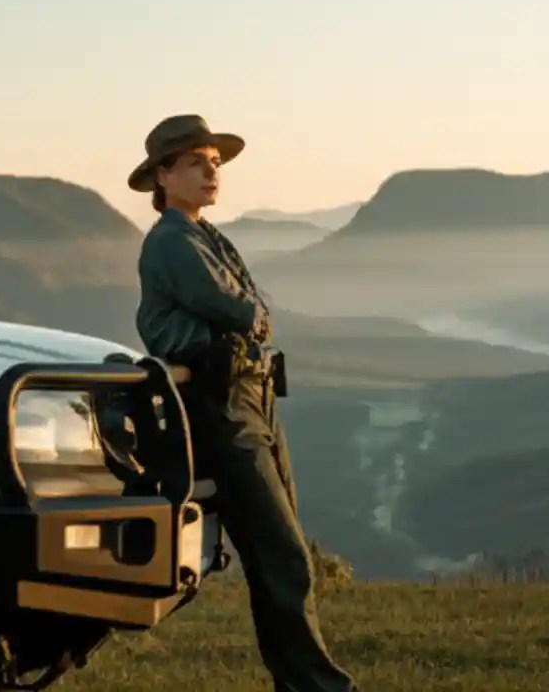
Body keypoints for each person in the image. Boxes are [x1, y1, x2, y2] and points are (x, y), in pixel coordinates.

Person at [129, 114, 359, 692]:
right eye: (196, 163)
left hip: (251, 398)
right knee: (281, 554)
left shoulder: (202, 235)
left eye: (214, 162)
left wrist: (252, 312)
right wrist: (252, 313)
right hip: (223, 406)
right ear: (164, 176)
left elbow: (249, 305)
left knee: (280, 553)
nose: (212, 172)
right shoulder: (172, 241)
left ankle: (301, 682)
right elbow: (238, 307)